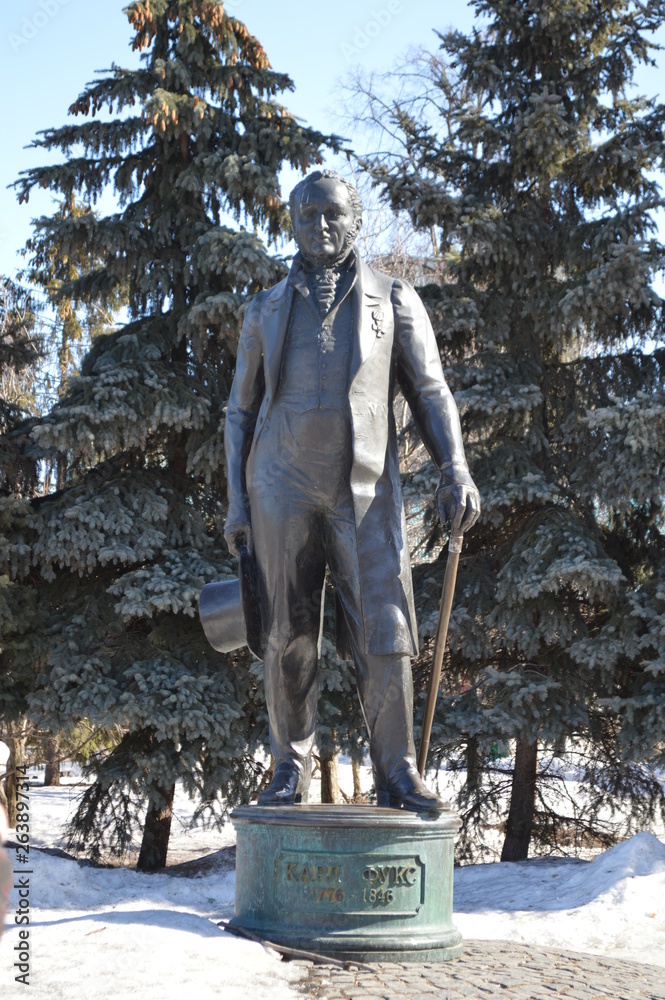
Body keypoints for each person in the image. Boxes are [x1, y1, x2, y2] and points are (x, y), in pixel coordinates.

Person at [224, 170, 480, 812]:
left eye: (332, 214)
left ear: (355, 220)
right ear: (292, 223)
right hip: (280, 487)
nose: (320, 226)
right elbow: (240, 412)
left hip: (364, 490)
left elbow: (430, 392)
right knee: (287, 631)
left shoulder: (394, 299)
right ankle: (290, 768)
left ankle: (397, 771)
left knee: (384, 626)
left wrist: (457, 469)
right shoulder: (265, 308)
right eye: (306, 215)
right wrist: (236, 499)